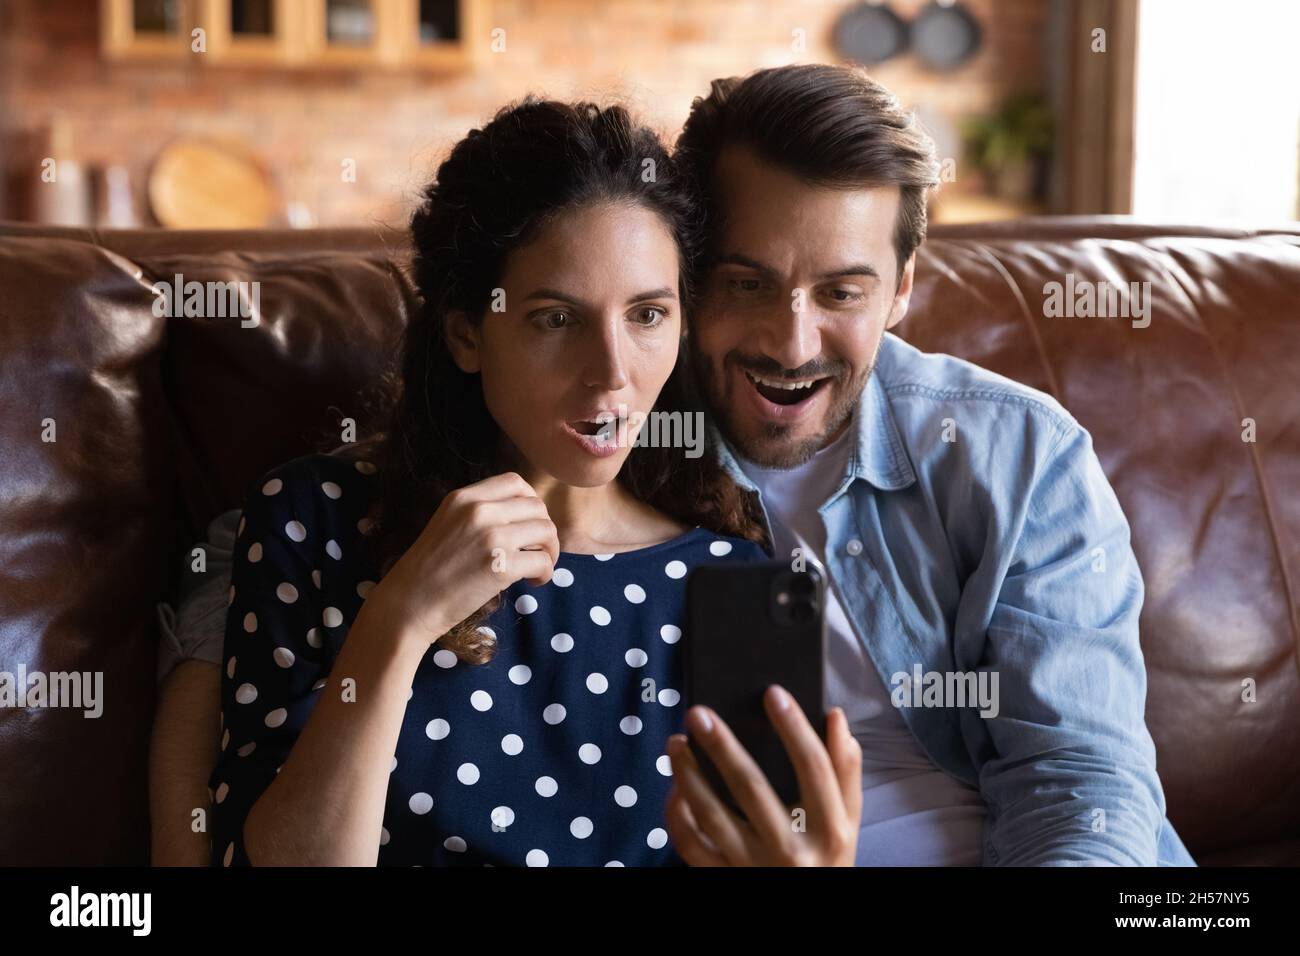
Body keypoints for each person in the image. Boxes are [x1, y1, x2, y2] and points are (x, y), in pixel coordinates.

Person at [149, 96, 866, 867]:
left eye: (648, 315)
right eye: (555, 319)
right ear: (466, 332)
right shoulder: (312, 522)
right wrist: (399, 622)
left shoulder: (735, 581)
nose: (613, 373)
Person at [662, 63, 1196, 866]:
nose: (791, 343)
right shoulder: (614, 448)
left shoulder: (1022, 455)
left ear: (902, 287)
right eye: (746, 283)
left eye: (842, 293)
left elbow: (1079, 778)